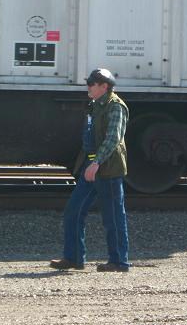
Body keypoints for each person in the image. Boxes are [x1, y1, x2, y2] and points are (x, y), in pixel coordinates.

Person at [50, 68, 131, 272]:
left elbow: (113, 138)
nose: (88, 86)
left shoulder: (115, 107)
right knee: (73, 211)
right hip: (92, 166)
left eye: (92, 83)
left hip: (108, 168)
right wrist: (90, 164)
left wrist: (96, 163)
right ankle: (74, 258)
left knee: (113, 217)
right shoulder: (94, 105)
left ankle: (119, 261)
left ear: (104, 87)